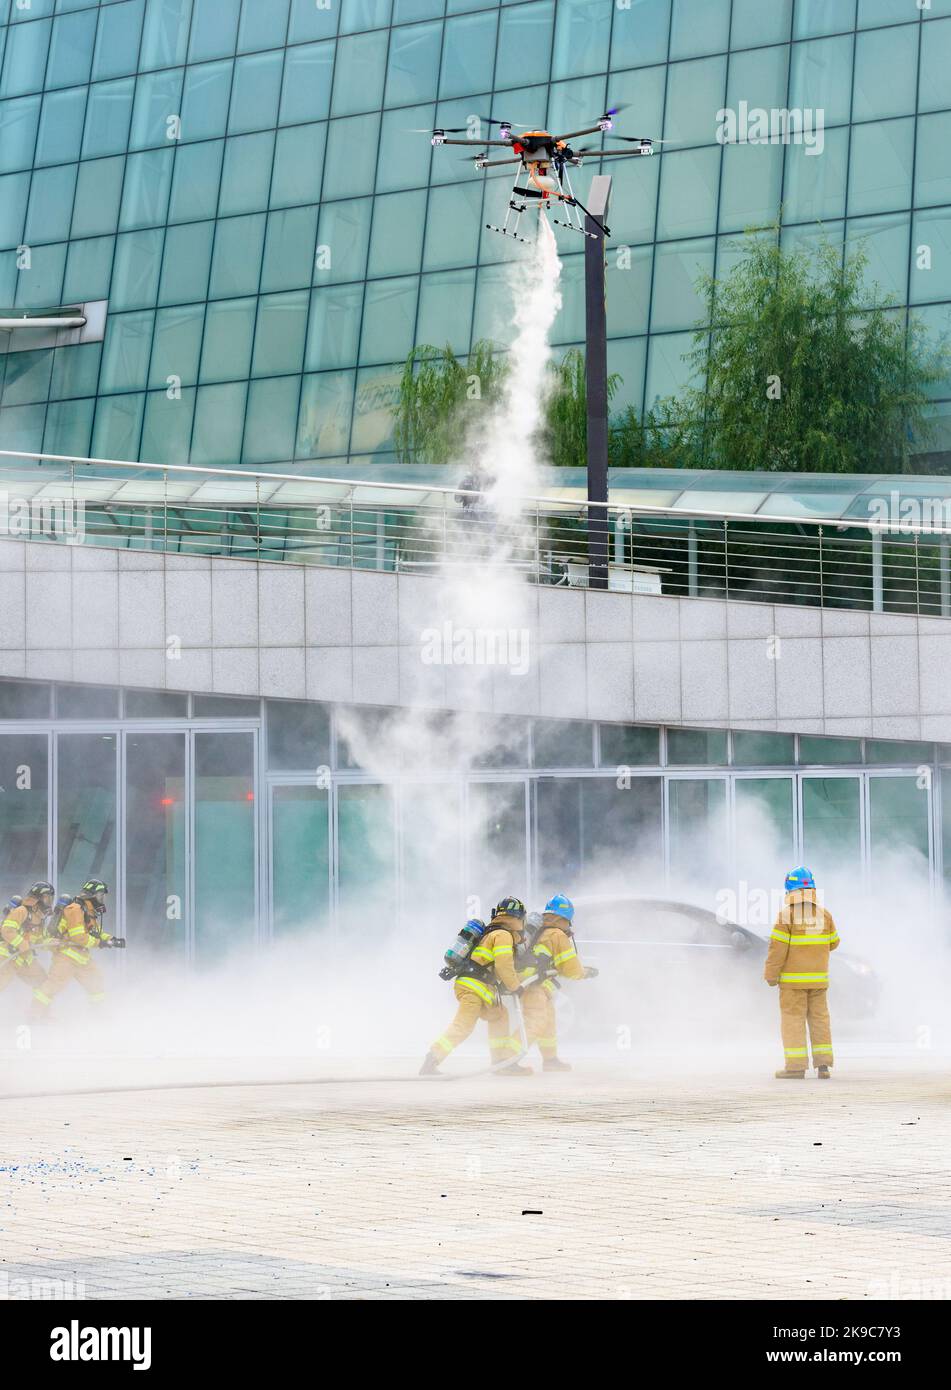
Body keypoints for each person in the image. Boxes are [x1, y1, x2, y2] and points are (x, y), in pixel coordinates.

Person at [421, 897, 531, 1076]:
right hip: (473, 987)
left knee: (500, 1015)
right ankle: (432, 1059)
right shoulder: (503, 935)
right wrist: (515, 986)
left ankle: (500, 1063)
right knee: (463, 1025)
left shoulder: (491, 933)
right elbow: (503, 965)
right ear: (518, 918)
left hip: (478, 986)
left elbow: (492, 965)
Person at [763, 866, 838, 1079]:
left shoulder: (786, 916)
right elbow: (834, 943)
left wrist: (771, 975)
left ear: (789, 889)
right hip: (819, 983)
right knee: (820, 1020)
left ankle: (795, 1067)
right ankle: (823, 1066)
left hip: (792, 984)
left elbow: (777, 949)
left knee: (793, 1021)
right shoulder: (824, 914)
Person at [519, 893, 598, 1072]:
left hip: (537, 985)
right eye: (568, 921)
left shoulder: (542, 932)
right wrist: (585, 973)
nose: (569, 925)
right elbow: (571, 969)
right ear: (563, 918)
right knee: (536, 1023)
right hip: (534, 986)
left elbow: (557, 964)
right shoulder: (556, 935)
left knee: (548, 1023)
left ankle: (550, 1060)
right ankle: (509, 1060)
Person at [30, 880, 124, 1019]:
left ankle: (99, 1015)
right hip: (66, 957)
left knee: (96, 981)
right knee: (52, 986)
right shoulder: (75, 910)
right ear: (92, 895)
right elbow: (78, 937)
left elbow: (96, 932)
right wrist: (101, 943)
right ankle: (34, 1015)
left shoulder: (88, 911)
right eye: (100, 895)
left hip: (81, 959)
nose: (102, 899)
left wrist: (112, 939)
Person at [0, 881, 54, 1003]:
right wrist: (22, 943)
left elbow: (39, 941)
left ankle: (38, 1010)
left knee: (42, 982)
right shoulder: (22, 911)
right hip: (7, 956)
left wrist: (52, 943)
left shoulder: (39, 918)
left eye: (50, 899)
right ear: (38, 898)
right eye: (47, 898)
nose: (49, 902)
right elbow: (7, 930)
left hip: (25, 960)